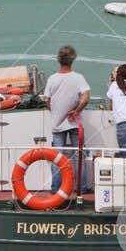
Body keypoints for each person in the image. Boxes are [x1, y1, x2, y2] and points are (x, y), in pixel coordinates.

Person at [43, 45, 90, 187]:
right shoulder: (79, 78)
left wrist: (57, 113)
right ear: (73, 59)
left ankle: (56, 189)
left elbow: (47, 102)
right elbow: (86, 98)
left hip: (57, 125)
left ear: (58, 59)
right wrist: (76, 111)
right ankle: (81, 188)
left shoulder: (52, 79)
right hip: (75, 123)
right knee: (78, 156)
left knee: (57, 158)